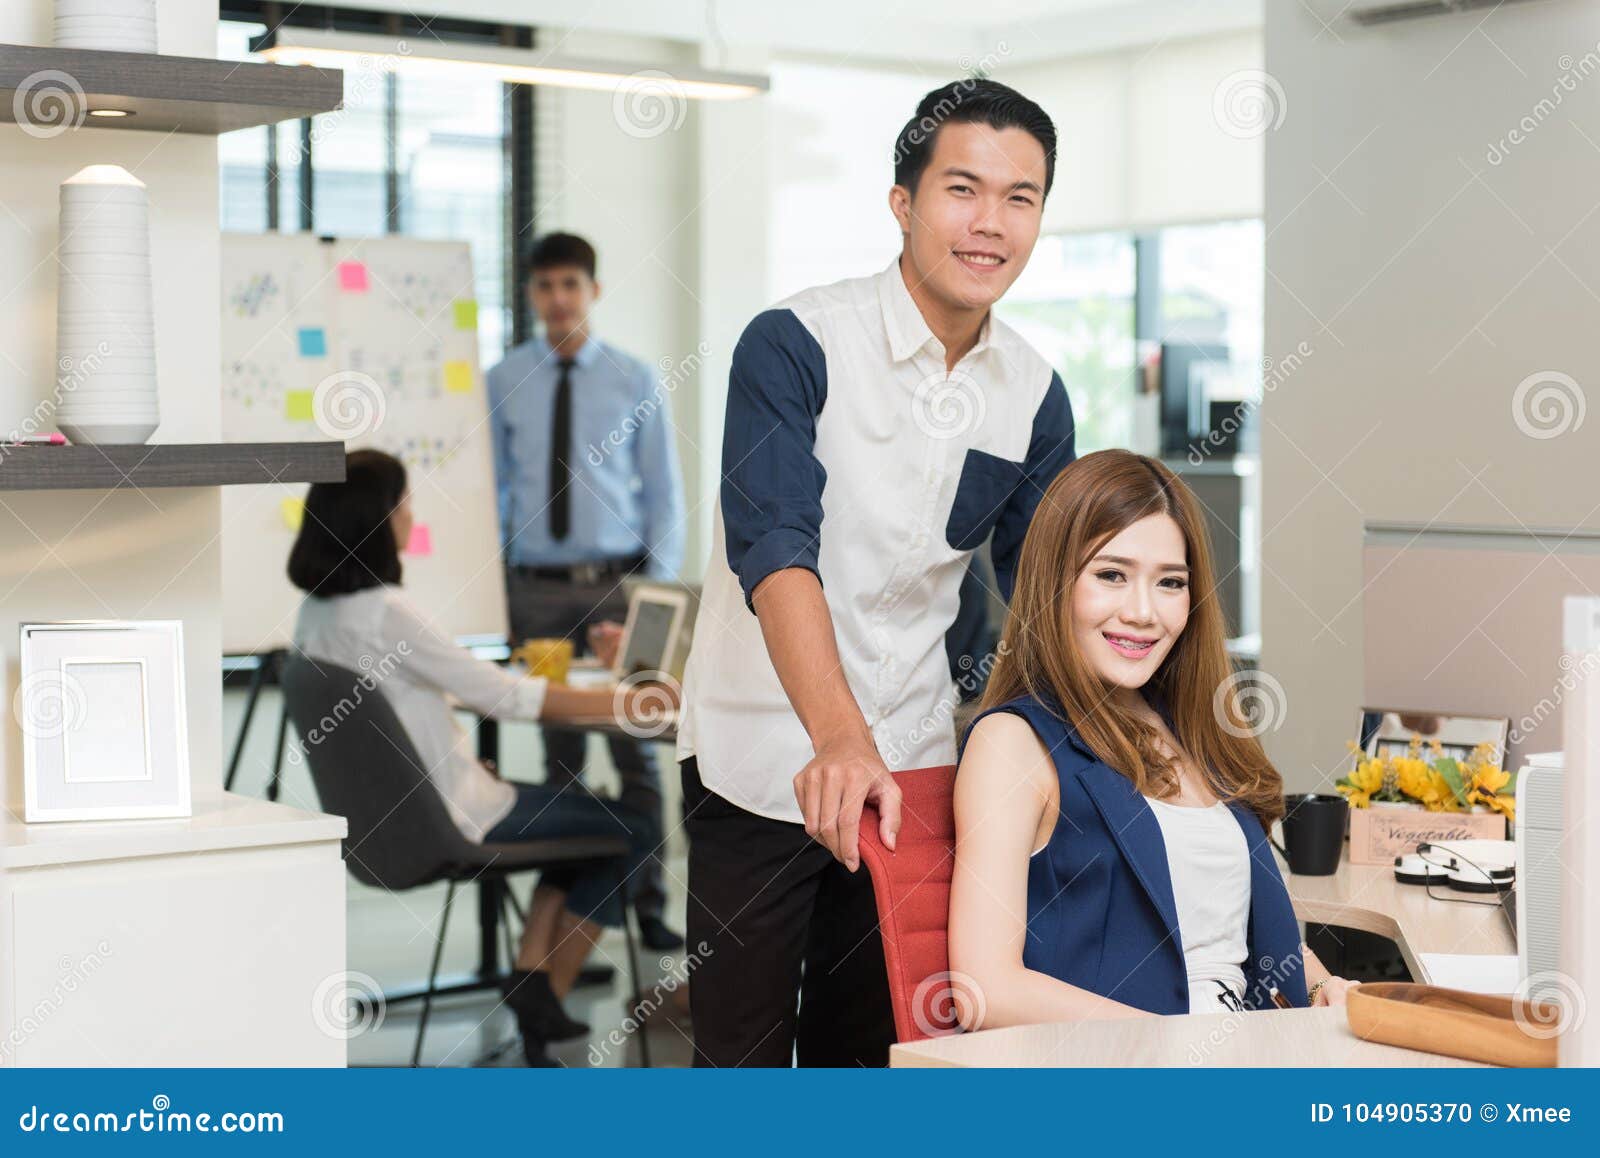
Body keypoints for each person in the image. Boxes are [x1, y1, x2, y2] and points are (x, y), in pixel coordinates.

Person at [676, 78, 1077, 1067]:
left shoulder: (1032, 393)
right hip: (762, 757)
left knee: (882, 1053)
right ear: (902, 204)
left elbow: (1049, 599)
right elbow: (773, 546)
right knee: (743, 1063)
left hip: (912, 766)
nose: (990, 225)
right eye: (962, 189)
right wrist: (838, 737)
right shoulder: (795, 343)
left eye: (1019, 198)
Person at [288, 450, 671, 1066]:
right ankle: (542, 989)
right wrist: (626, 700)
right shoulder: (387, 613)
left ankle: (530, 981)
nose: (411, 514)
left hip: (407, 815)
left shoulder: (316, 615)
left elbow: (392, 719)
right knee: (634, 828)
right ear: (379, 518)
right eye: (404, 501)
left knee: (588, 826)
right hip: (459, 812)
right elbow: (505, 698)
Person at [948, 450, 1357, 1025]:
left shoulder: (1195, 729)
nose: (1143, 612)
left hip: (1255, 1051)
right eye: (1111, 575)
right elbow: (983, 989)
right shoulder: (1013, 743)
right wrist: (1180, 1048)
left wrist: (1325, 989)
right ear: (1052, 583)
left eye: (1169, 582)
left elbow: (1248, 931)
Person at [488, 232, 687, 952]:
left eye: (570, 284)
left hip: (615, 587)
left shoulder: (634, 379)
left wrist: (652, 594)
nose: (558, 298)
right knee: (560, 755)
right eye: (545, 286)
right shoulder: (503, 378)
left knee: (638, 747)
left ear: (593, 290)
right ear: (532, 294)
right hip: (536, 591)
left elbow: (665, 491)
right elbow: (494, 491)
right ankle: (576, 921)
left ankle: (650, 906)